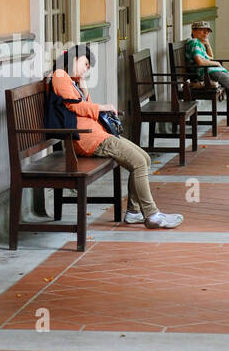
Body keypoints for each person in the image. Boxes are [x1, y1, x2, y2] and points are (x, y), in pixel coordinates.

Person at [50, 51, 184, 228]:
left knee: (144, 159)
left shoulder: (71, 80)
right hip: (87, 138)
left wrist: (83, 85)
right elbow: (76, 106)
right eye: (85, 64)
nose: (86, 70)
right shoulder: (60, 75)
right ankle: (152, 215)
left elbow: (83, 104)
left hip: (98, 133)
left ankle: (134, 212)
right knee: (138, 163)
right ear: (75, 58)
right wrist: (101, 107)